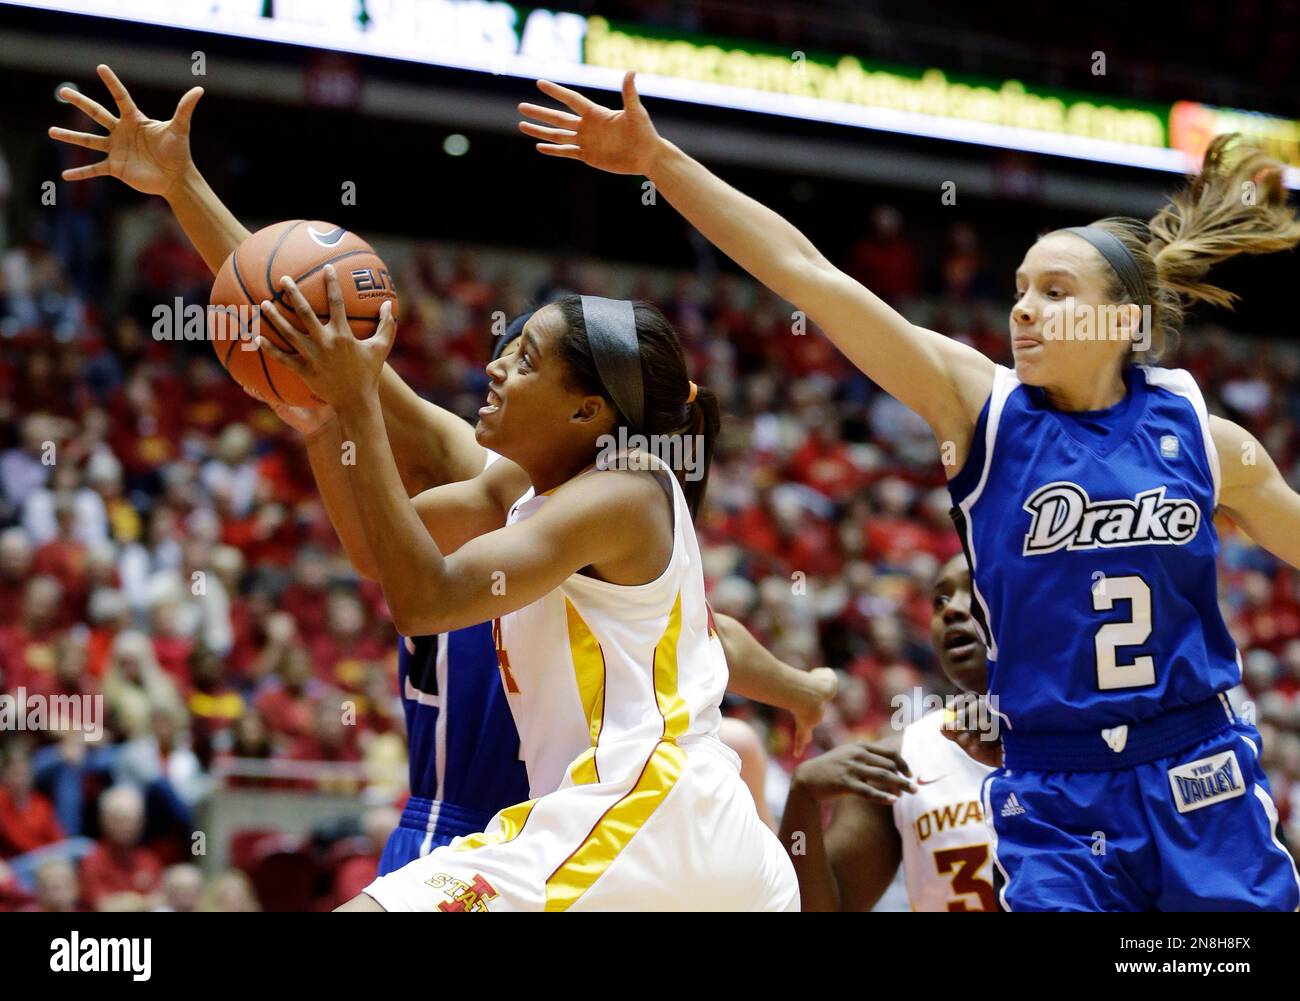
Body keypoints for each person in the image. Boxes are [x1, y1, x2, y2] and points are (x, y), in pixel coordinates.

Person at [521, 73, 1300, 911]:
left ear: (1120, 321)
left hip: (1198, 769)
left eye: (1056, 293)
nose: (1024, 312)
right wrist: (657, 160)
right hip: (1057, 786)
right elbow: (808, 275)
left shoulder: (1209, 440)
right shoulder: (981, 407)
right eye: (1021, 291)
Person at [52, 66, 831, 898]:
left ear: (587, 413)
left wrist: (350, 407)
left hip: (646, 826)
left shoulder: (626, 490)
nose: (493, 367)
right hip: (624, 832)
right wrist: (184, 187)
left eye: (525, 359)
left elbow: (421, 595)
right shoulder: (516, 488)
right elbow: (371, 535)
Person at [782, 554, 1000, 910]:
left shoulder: (1103, 731)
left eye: (976, 589)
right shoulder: (897, 759)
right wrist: (802, 797)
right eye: (939, 601)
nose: (951, 611)